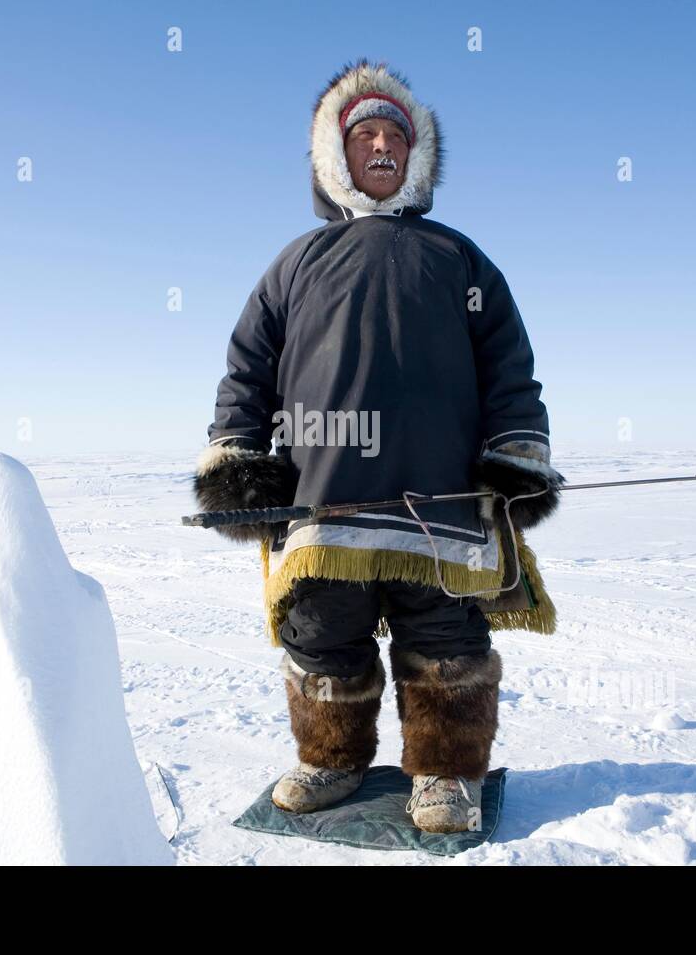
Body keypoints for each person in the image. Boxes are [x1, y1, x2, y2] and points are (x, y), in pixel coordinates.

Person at [194, 60, 563, 833]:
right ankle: (330, 761)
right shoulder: (293, 264)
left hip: (444, 495)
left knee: (446, 635)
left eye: (398, 135)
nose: (384, 146)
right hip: (322, 490)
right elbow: (246, 371)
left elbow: (511, 368)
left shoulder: (461, 259)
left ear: (418, 158)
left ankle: (446, 776)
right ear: (337, 157)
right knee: (321, 630)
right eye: (367, 134)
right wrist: (238, 463)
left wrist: (517, 460)